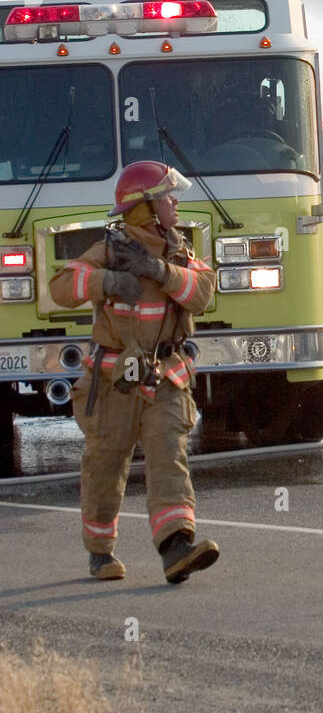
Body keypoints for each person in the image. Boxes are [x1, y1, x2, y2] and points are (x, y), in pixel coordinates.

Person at [50, 161, 220, 584]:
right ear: (145, 208)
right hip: (112, 384)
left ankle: (175, 547)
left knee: (168, 453)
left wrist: (160, 272)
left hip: (165, 378)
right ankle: (100, 550)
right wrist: (104, 282)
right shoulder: (109, 250)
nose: (174, 202)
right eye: (166, 196)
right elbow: (59, 287)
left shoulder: (180, 252)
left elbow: (201, 294)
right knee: (106, 465)